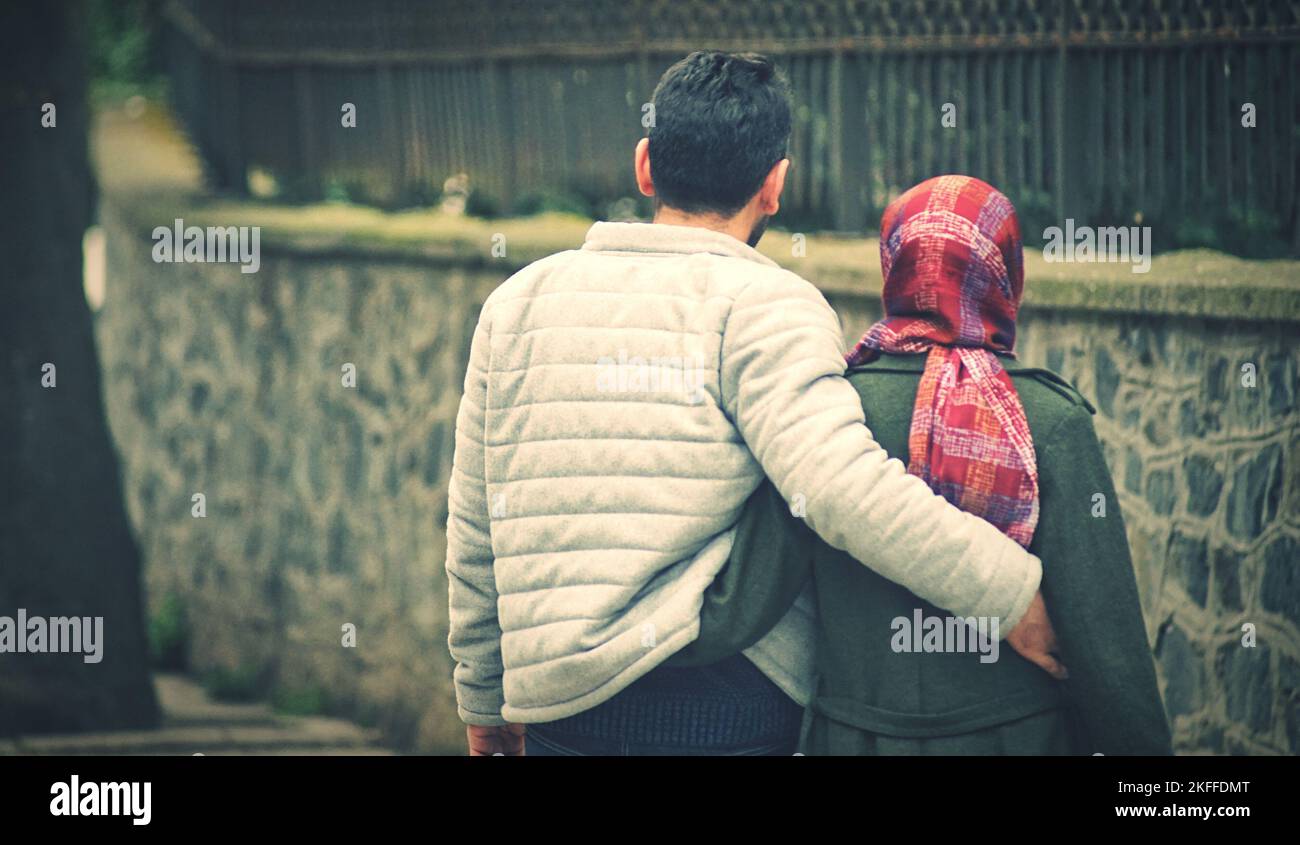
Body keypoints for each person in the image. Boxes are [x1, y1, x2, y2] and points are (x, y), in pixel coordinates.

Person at [446, 52, 1060, 758]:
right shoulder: (767, 304)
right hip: (723, 708)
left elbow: (475, 525)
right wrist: (1009, 594)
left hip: (560, 709)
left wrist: (484, 697)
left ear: (644, 166)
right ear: (775, 184)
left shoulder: (516, 304)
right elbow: (840, 487)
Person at [696, 175, 1173, 755]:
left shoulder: (827, 416)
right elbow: (1107, 645)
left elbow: (744, 603)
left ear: (893, 267)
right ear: (1004, 270)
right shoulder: (1050, 418)